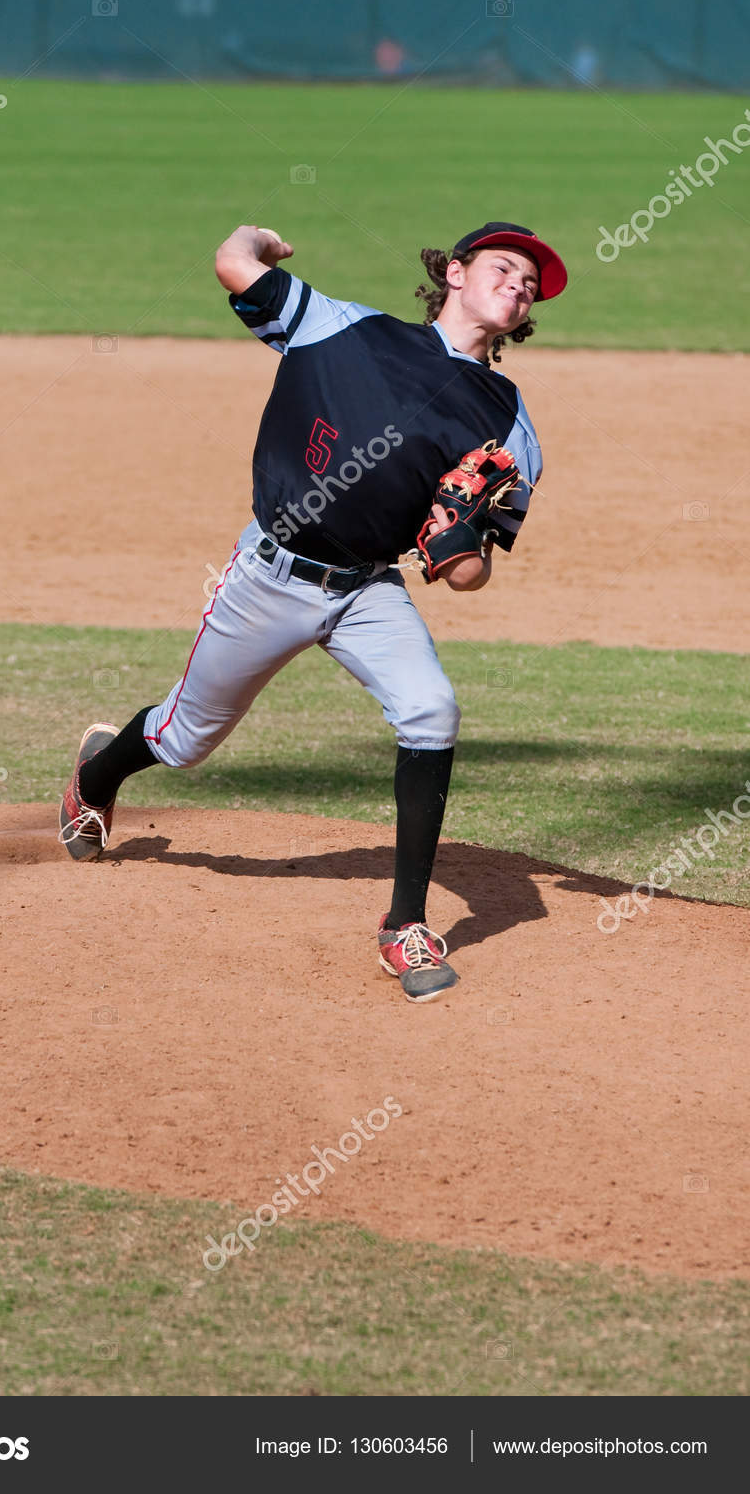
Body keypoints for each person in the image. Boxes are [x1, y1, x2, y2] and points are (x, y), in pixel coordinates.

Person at [58, 220, 567, 1002]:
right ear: (456, 273)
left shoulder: (508, 423)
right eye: (505, 267)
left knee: (431, 710)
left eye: (531, 285)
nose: (520, 284)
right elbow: (233, 264)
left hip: (367, 590)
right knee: (184, 739)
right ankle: (95, 776)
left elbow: (469, 576)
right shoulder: (344, 329)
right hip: (268, 579)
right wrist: (253, 240)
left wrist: (455, 535)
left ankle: (404, 927)